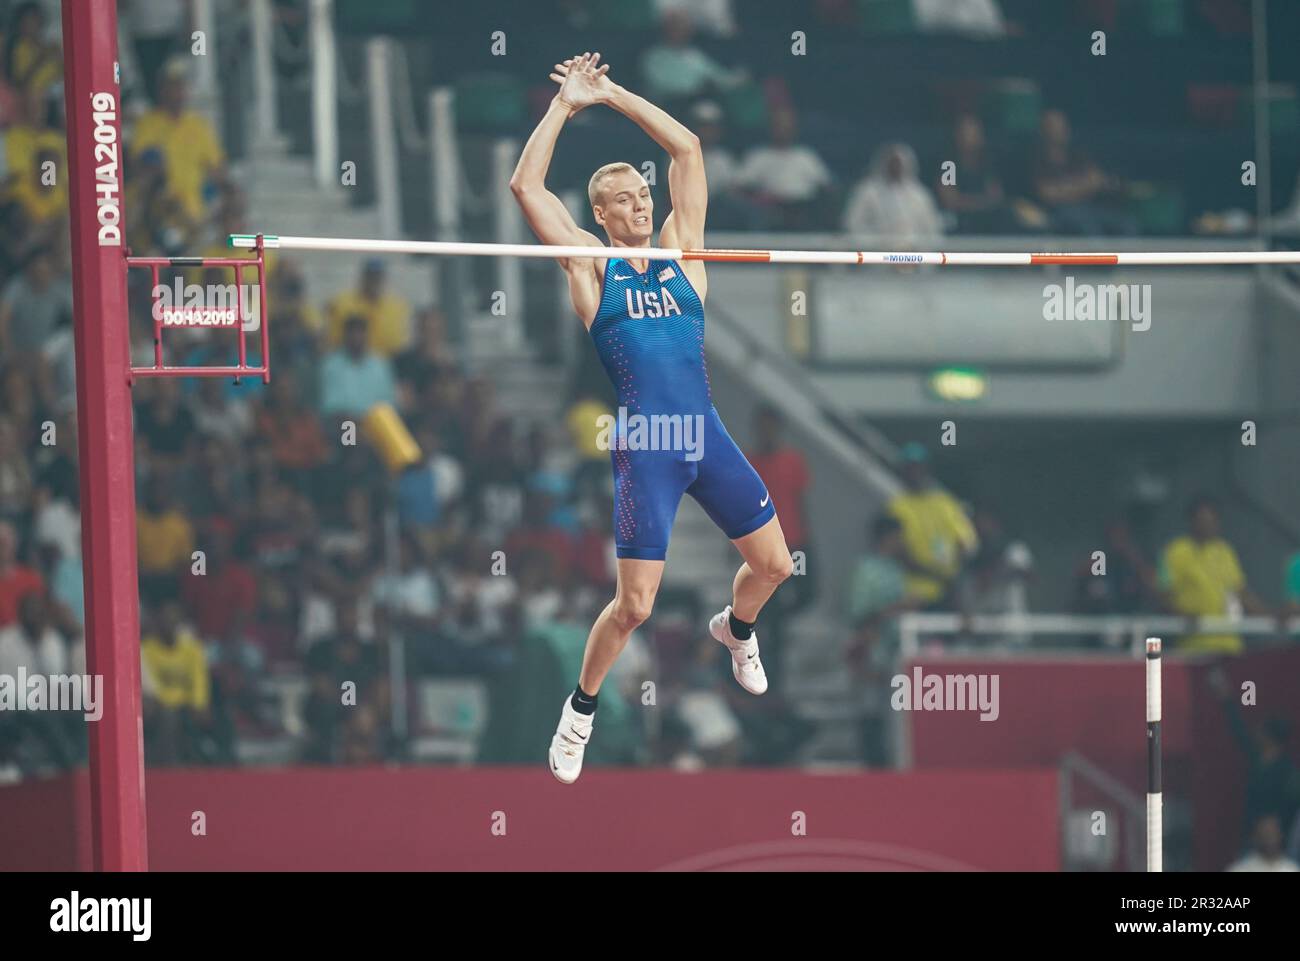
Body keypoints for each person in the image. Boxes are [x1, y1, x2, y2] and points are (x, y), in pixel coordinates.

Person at [510, 52, 794, 784]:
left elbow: (687, 149)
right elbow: (525, 185)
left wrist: (612, 95)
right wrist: (566, 105)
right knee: (633, 606)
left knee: (774, 565)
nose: (641, 204)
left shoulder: (682, 255)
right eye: (626, 199)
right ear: (600, 216)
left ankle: (735, 629)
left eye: (644, 193)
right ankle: (580, 709)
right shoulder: (590, 267)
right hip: (649, 444)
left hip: (705, 432)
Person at [1160, 495, 1273, 654]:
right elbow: (1164, 595)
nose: (1208, 525)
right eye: (1203, 520)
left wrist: (1270, 615)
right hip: (1193, 647)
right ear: (1191, 521)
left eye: (1212, 520)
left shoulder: (1225, 551)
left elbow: (1241, 592)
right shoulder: (1175, 551)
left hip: (1229, 645)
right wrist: (1182, 615)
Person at [886, 442, 978, 609]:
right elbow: (898, 552)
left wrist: (955, 576)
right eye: (909, 468)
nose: (914, 473)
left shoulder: (945, 502)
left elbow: (965, 542)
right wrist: (938, 576)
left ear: (926, 469)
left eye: (918, 467)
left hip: (950, 593)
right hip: (915, 594)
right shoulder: (896, 507)